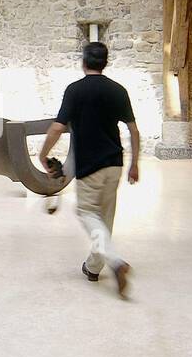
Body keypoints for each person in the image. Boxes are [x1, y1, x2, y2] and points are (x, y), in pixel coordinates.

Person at [37, 41, 139, 299]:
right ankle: (93, 267)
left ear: (84, 62)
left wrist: (43, 154)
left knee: (87, 213)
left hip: (90, 167)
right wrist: (135, 163)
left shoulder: (75, 90)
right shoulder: (118, 90)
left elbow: (58, 127)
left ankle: (115, 261)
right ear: (105, 63)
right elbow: (133, 130)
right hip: (115, 164)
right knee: (104, 219)